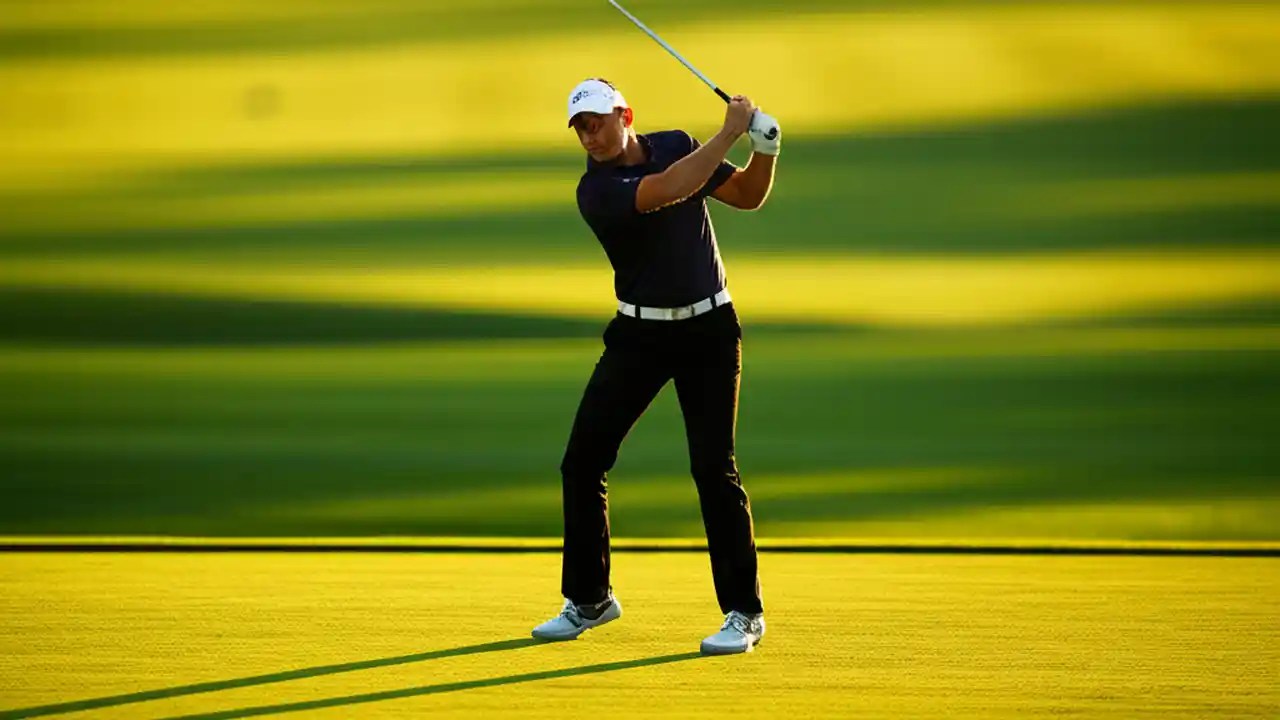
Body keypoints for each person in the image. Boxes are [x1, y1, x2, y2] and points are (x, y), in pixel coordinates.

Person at [531, 78, 780, 655]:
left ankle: (744, 613)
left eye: (597, 121)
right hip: (640, 334)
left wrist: (765, 148)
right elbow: (668, 190)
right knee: (582, 460)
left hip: (709, 330)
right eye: (580, 128)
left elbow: (746, 195)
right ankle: (590, 600)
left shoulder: (675, 143)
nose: (590, 136)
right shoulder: (597, 191)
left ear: (625, 115)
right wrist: (730, 131)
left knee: (714, 469)